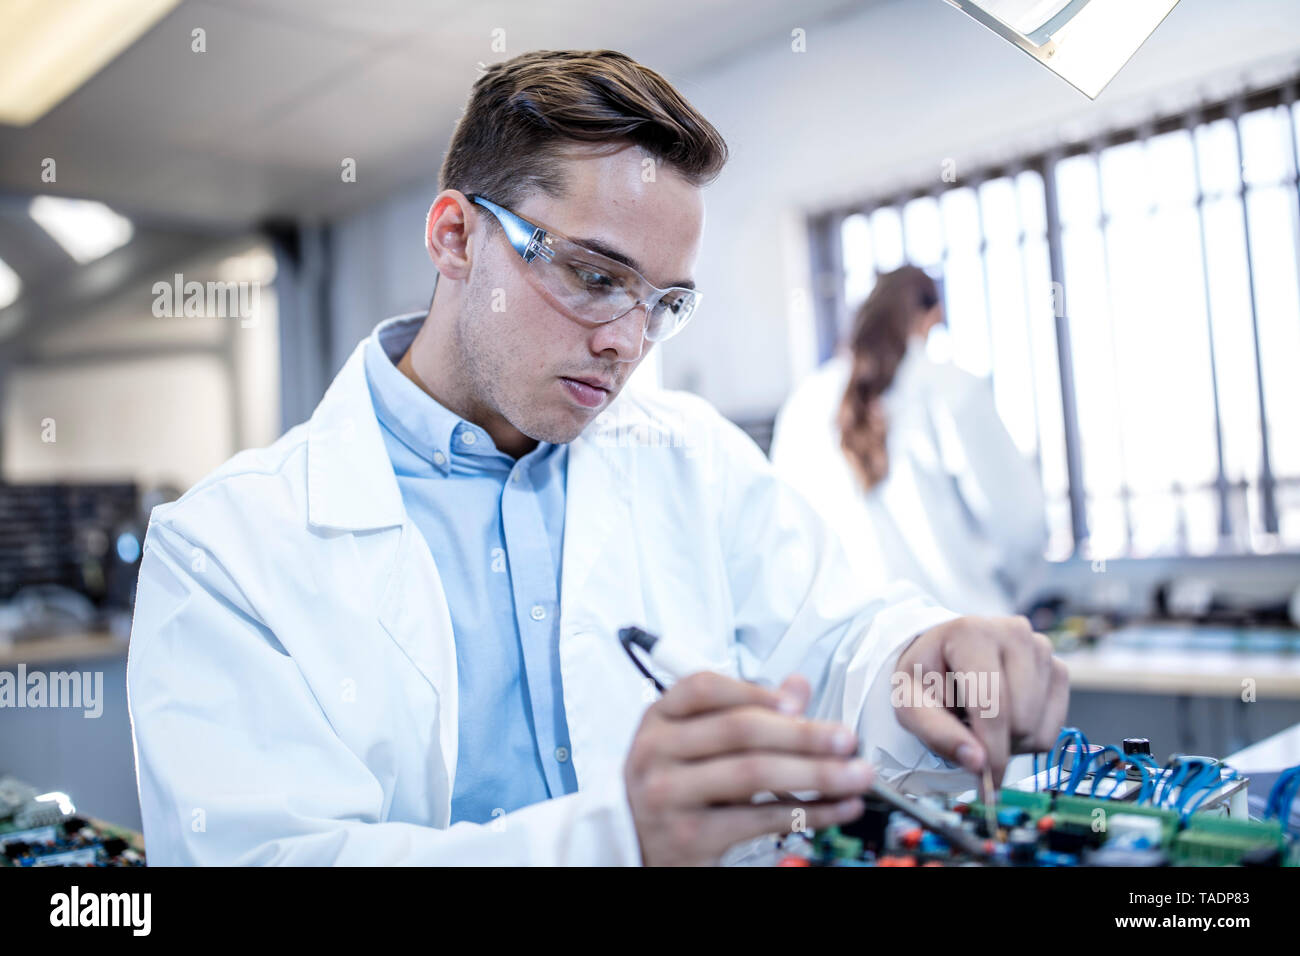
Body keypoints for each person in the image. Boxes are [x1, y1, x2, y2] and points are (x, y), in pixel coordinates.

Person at [127, 51, 1067, 866]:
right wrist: (620, 845)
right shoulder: (224, 548)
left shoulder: (688, 455)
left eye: (665, 302)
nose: (628, 340)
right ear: (456, 237)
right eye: (593, 276)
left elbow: (835, 650)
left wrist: (923, 661)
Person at [771, 266, 1048, 617]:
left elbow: (786, 539)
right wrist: (1002, 595)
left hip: (848, 654)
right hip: (962, 647)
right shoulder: (953, 389)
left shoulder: (803, 404)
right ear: (932, 317)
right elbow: (1020, 525)